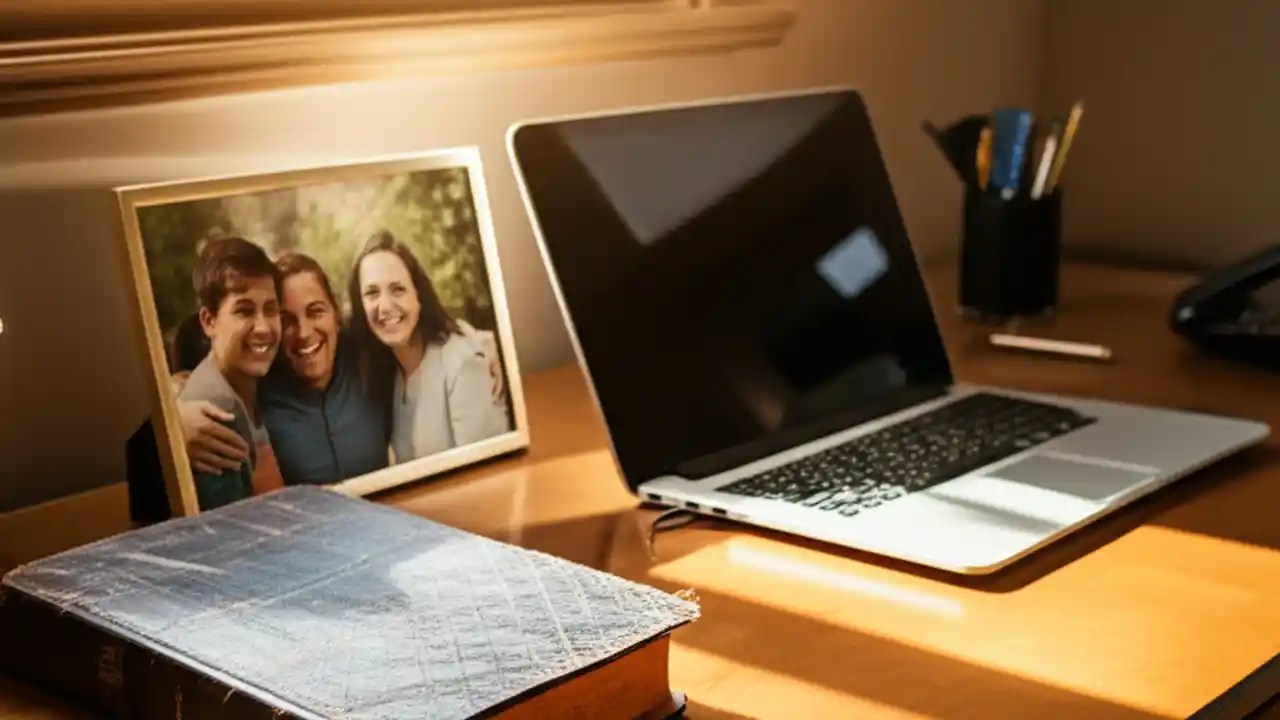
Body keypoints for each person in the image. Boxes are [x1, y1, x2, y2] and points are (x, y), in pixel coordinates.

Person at [348, 229, 511, 462]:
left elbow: (490, 472)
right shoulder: (386, 370)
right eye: (372, 293)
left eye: (398, 289)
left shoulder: (462, 364)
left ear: (419, 295)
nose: (384, 306)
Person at [178, 236, 284, 509]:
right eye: (244, 311)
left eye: (271, 310)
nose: (263, 327)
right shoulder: (215, 413)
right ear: (209, 321)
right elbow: (236, 537)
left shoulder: (253, 380)